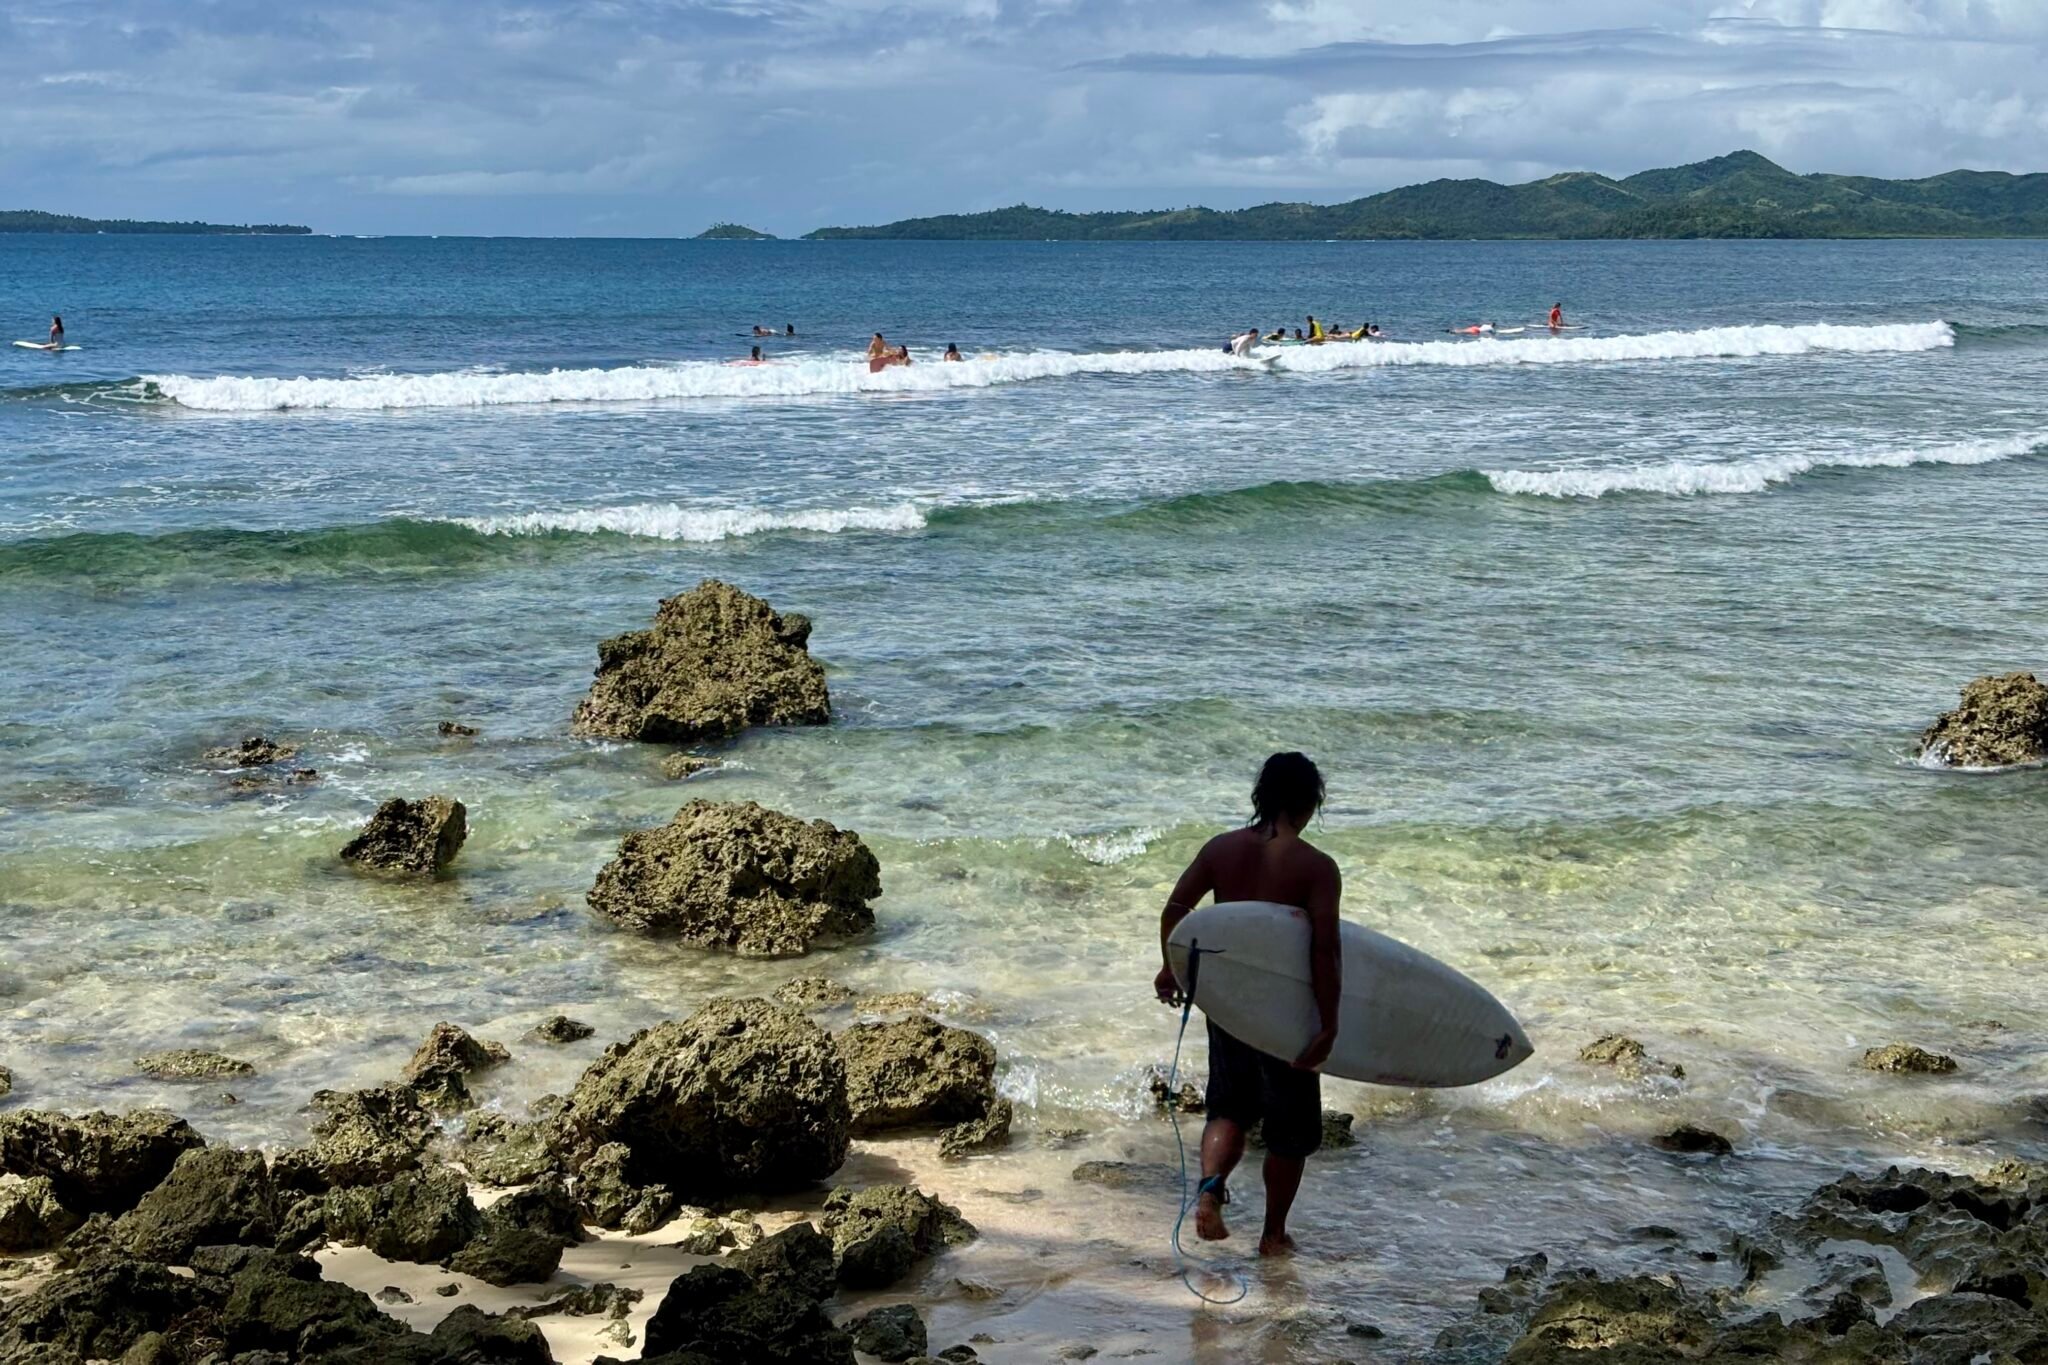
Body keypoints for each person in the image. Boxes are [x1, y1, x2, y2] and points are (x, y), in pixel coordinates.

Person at [1153, 752, 1341, 1258]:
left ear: (1262, 795)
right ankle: (1273, 1235)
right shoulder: (1317, 867)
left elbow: (1176, 908)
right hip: (1287, 1015)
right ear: (1308, 803)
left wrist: (1173, 966)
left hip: (1230, 1004)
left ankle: (1211, 1194)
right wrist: (1329, 1022)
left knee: (1229, 1106)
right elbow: (1324, 950)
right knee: (1291, 1131)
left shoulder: (1222, 849)